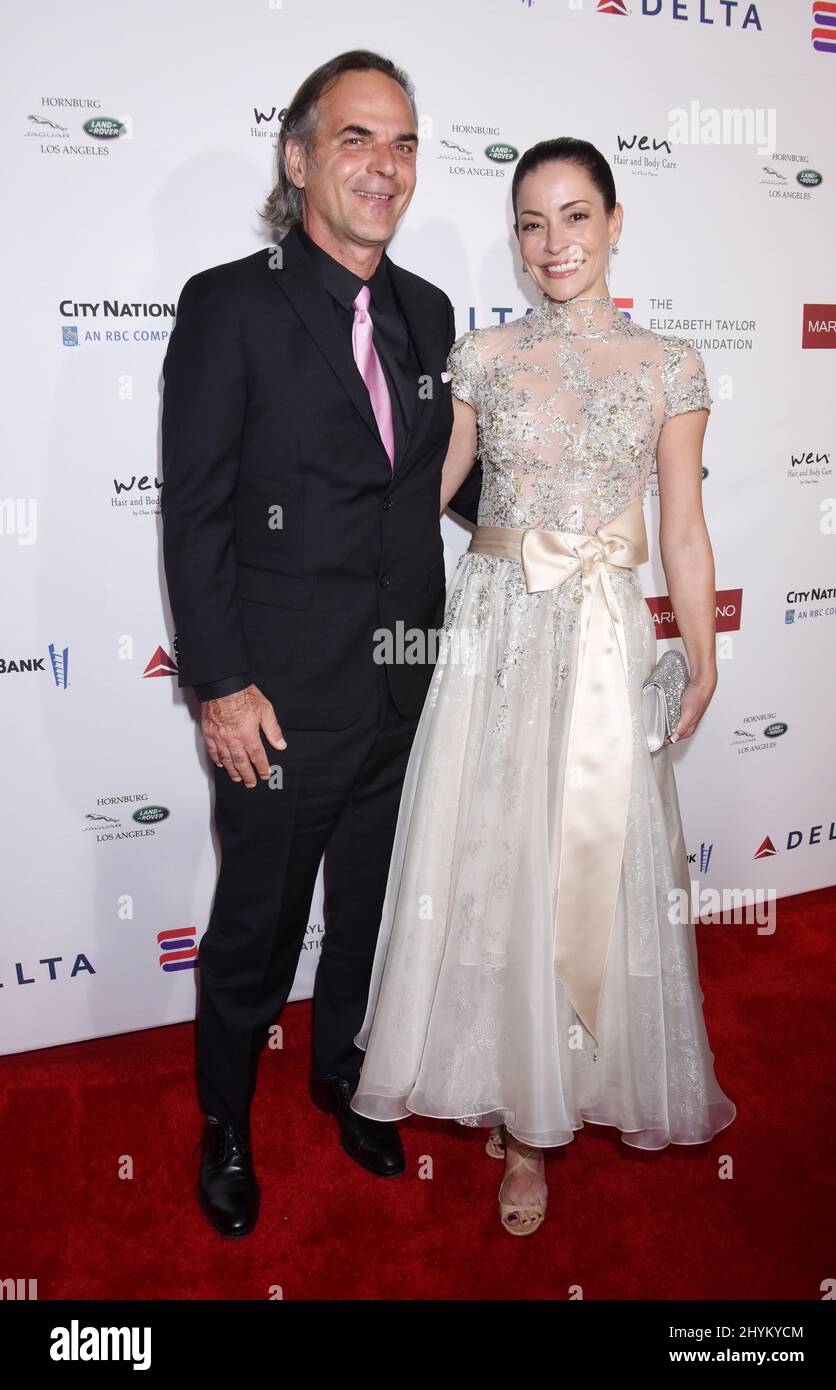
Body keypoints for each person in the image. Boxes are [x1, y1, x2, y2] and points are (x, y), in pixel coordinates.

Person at [351, 137, 737, 1236]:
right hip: (490, 629)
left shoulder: (669, 364)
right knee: (489, 857)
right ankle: (501, 1081)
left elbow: (682, 530)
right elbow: (421, 495)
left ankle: (540, 1120)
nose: (552, 243)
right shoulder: (482, 356)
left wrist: (702, 651)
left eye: (574, 216)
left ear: (615, 222)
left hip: (604, 639)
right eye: (530, 221)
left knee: (582, 864)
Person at [160, 50, 481, 1239]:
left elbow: (440, 482)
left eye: (400, 142)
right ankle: (226, 1121)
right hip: (279, 701)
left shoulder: (426, 313)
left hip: (404, 682)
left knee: (369, 913)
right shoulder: (228, 304)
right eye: (355, 138)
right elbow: (192, 510)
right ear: (297, 157)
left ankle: (343, 1076)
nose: (382, 165)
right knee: (254, 923)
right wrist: (219, 682)